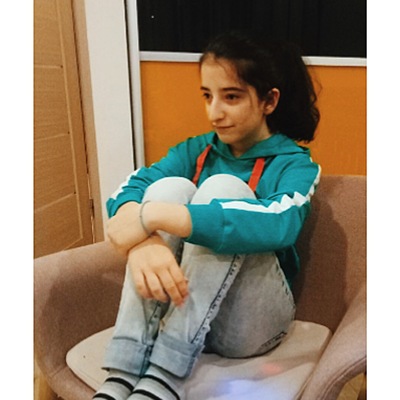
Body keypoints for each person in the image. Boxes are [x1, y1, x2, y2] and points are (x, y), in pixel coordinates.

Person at [93, 30, 321, 400]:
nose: (214, 112)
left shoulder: (295, 164)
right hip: (189, 315)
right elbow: (127, 193)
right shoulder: (196, 151)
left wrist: (155, 218)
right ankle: (123, 372)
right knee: (168, 188)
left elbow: (280, 223)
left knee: (223, 189)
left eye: (231, 97)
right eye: (207, 96)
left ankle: (165, 376)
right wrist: (145, 244)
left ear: (269, 100)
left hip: (250, 327)